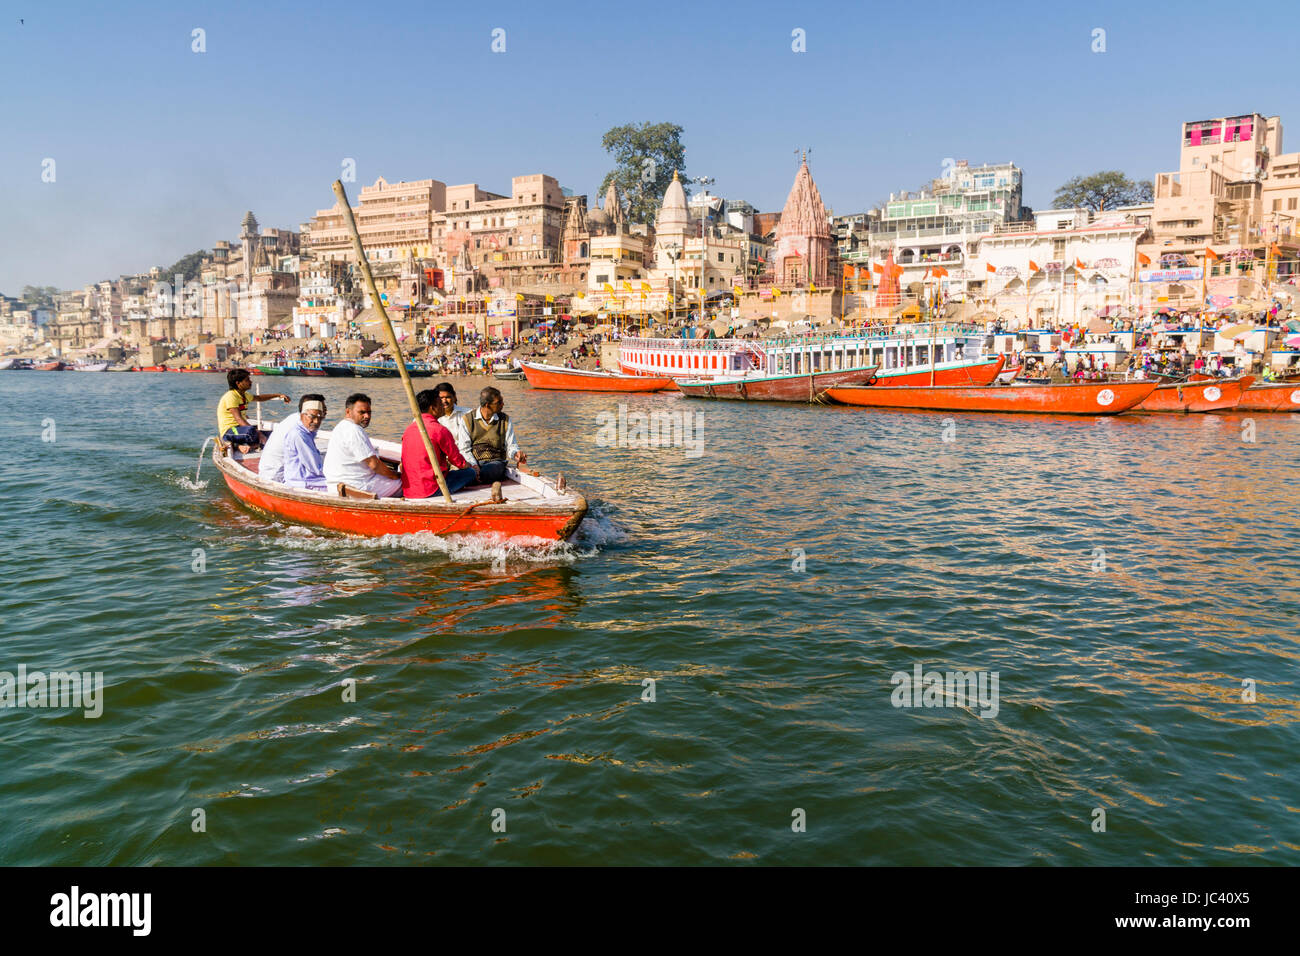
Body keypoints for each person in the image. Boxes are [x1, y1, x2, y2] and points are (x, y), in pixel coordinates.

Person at [401, 389, 479, 499]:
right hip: (432, 488)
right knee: (470, 473)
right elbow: (458, 461)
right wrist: (472, 468)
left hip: (409, 489)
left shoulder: (408, 430)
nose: (443, 406)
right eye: (440, 404)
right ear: (433, 408)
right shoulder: (439, 430)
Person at [324, 393, 402, 498]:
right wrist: (395, 475)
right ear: (348, 412)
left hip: (338, 484)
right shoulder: (354, 430)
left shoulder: (340, 426)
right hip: (356, 486)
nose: (367, 416)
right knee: (405, 482)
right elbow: (374, 465)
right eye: (362, 412)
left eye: (369, 412)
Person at [454, 386, 526, 485]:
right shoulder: (467, 419)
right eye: (499, 402)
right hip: (473, 462)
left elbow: (511, 445)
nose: (503, 404)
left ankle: (477, 477)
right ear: (487, 405)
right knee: (465, 472)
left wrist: (515, 454)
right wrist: (474, 466)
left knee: (490, 470)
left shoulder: (505, 419)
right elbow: (464, 449)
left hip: (495, 462)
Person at [217, 369, 288, 450]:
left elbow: (259, 398)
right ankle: (236, 445)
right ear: (238, 383)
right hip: (229, 431)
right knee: (251, 431)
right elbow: (239, 419)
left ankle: (250, 445)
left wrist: (278, 395)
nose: (251, 382)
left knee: (273, 434)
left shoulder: (244, 395)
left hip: (241, 429)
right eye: (247, 380)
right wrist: (259, 434)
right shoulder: (231, 396)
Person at [280, 394, 328, 491]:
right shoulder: (299, 435)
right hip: (302, 483)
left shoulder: (306, 432)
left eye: (320, 417)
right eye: (312, 416)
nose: (316, 421)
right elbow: (316, 468)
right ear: (302, 415)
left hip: (307, 480)